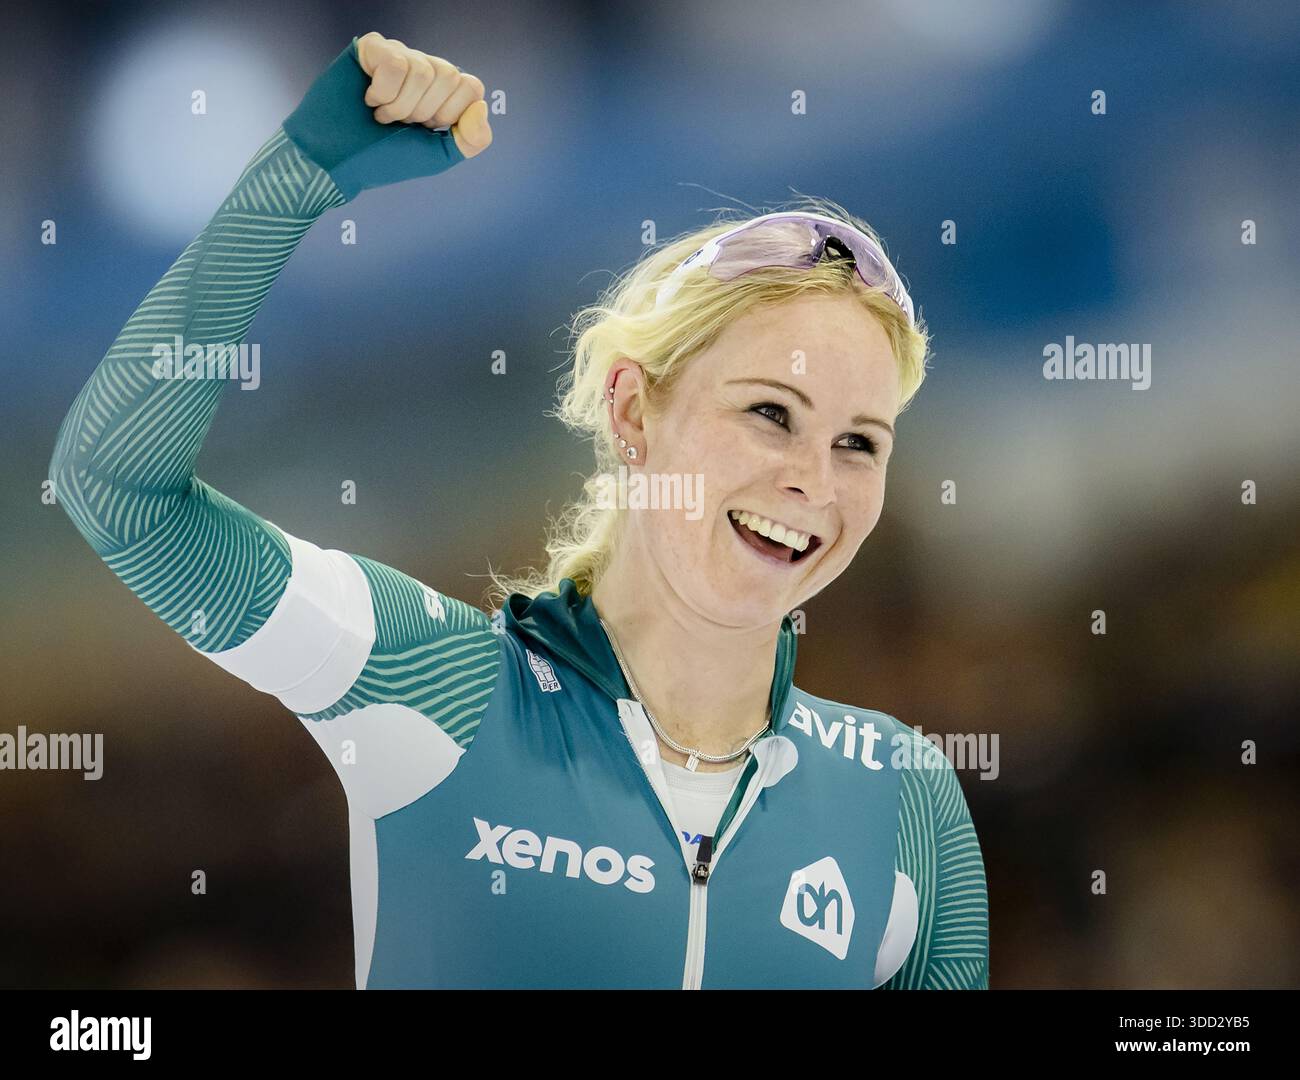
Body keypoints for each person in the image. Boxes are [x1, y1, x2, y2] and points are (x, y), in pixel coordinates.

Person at [49, 31, 989, 989]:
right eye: (769, 413)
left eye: (858, 443)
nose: (814, 483)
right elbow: (117, 490)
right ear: (633, 410)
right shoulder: (431, 683)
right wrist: (297, 174)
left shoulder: (901, 798)